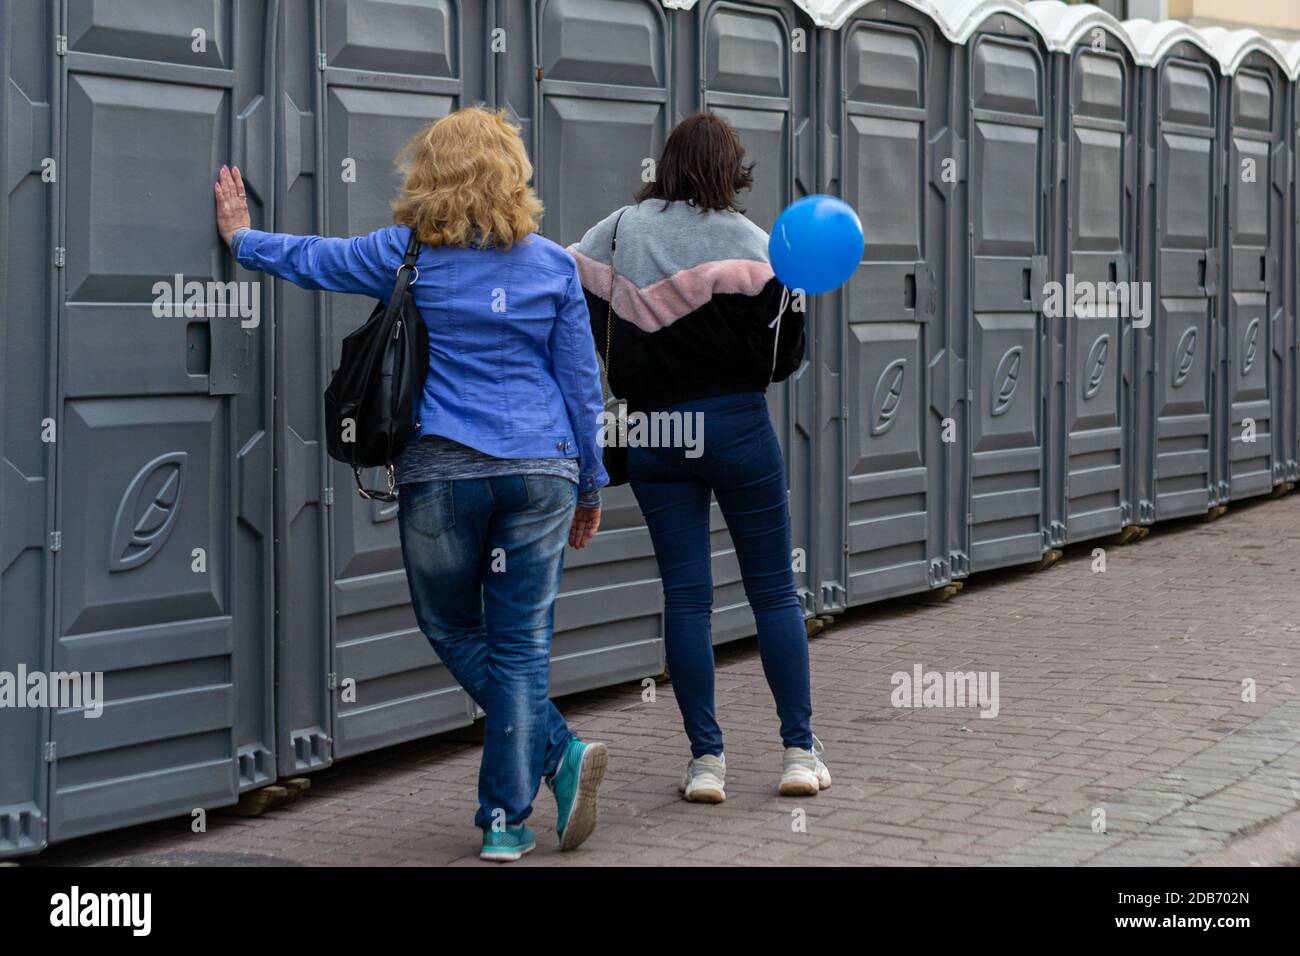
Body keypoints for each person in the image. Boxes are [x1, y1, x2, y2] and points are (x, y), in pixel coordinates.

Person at [213, 107, 609, 861]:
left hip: (441, 475)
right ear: (513, 174)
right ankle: (512, 809)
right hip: (542, 473)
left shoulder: (404, 255)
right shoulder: (554, 265)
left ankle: (547, 771)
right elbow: (583, 387)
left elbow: (312, 258)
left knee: (453, 627)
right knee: (521, 646)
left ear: (427, 175)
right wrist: (591, 485)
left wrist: (241, 239)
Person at [568, 112, 829, 803]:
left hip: (653, 433)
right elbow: (783, 362)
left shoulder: (620, 230)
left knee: (687, 599)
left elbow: (565, 280)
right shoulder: (756, 245)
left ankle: (706, 762)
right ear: (731, 172)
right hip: (737, 428)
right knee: (773, 590)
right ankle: (798, 753)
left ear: (667, 165)